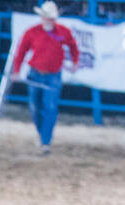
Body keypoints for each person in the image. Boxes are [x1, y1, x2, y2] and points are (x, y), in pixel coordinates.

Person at [10, 1, 79, 155]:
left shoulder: (63, 32)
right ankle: (43, 136)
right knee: (35, 107)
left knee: (50, 107)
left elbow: (73, 47)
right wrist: (16, 70)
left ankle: (45, 141)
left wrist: (75, 61)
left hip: (53, 75)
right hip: (35, 74)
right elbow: (21, 51)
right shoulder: (32, 32)